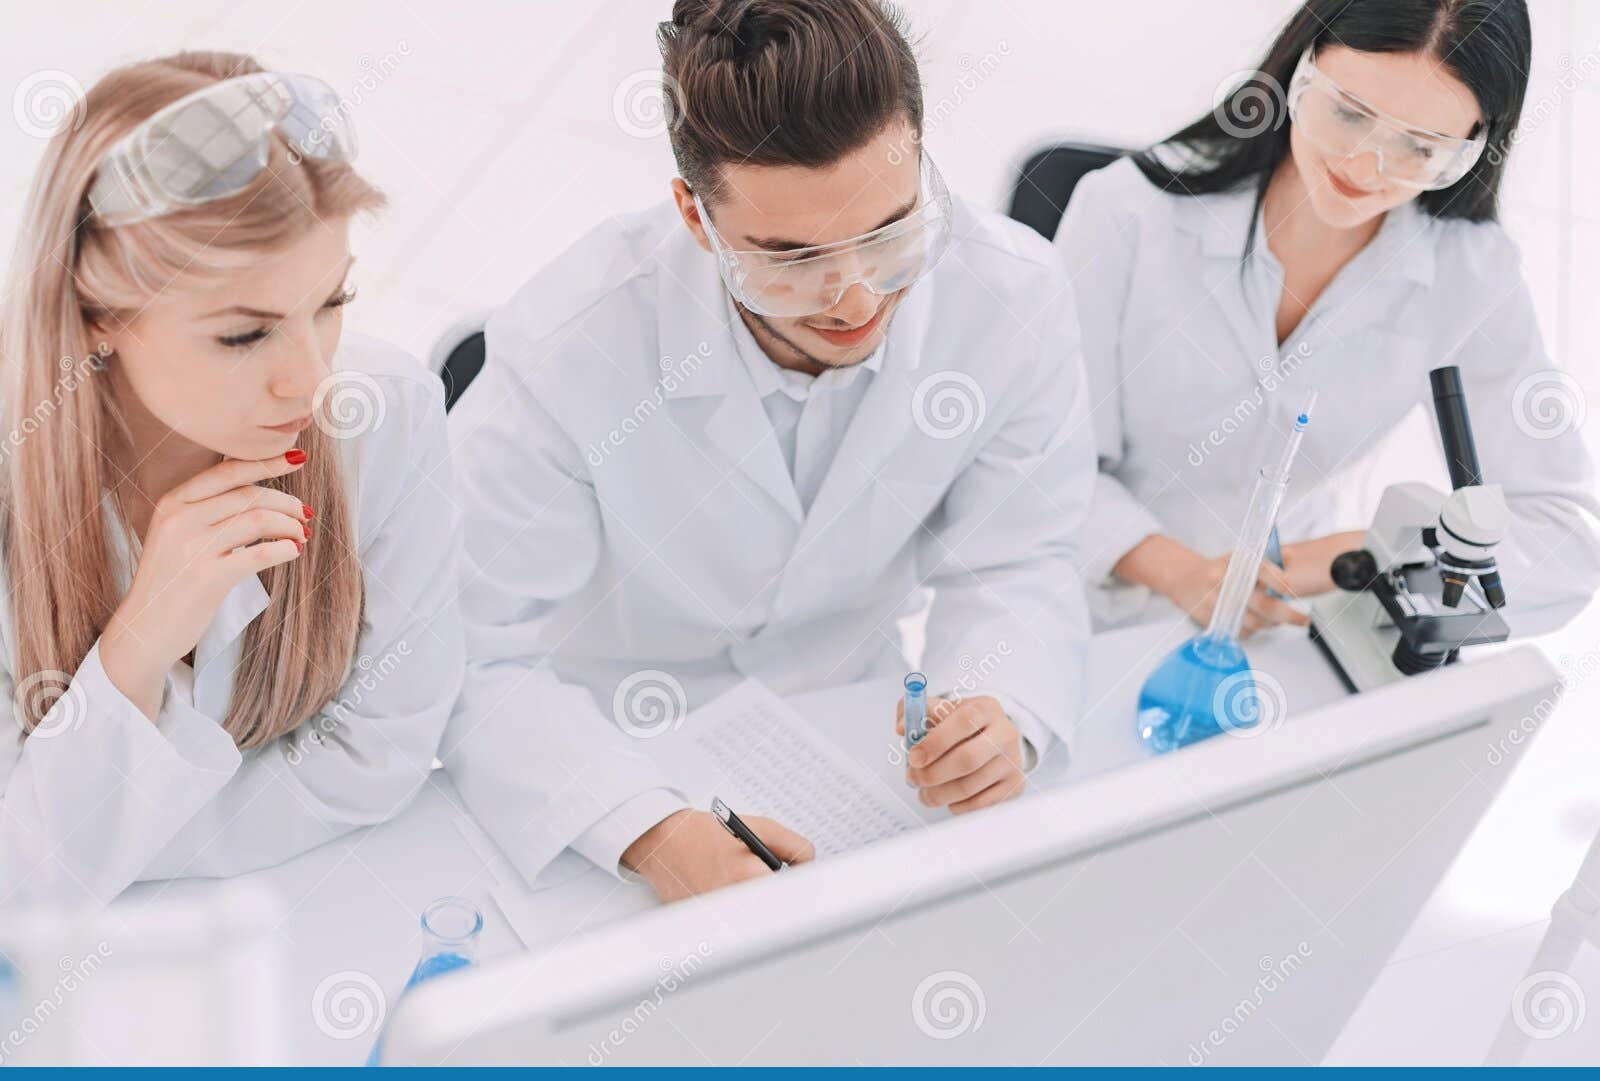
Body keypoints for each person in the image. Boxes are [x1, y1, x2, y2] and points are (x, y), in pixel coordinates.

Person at [445, 0, 1096, 902]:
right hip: (606, 745)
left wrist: (1002, 707)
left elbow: (1021, 556)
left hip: (855, 731)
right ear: (694, 216)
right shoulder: (571, 339)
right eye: (789, 258)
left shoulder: (1013, 295)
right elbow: (469, 650)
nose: (856, 296)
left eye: (889, 230)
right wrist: (645, 829)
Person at [0, 53, 464, 904]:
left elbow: (381, 759)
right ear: (96, 315)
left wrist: (100, 835)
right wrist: (140, 638)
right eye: (244, 336)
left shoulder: (387, 413)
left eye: (331, 302)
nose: (309, 377)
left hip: (306, 910)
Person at [1055, 0, 1600, 632]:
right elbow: (1038, 468)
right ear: (1301, 66)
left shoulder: (1467, 272)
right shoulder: (1128, 211)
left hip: (1288, 611)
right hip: (1087, 595)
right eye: (1348, 113)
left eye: (1420, 148)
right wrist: (1182, 573)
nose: (1364, 168)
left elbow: (1567, 541)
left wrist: (1342, 559)